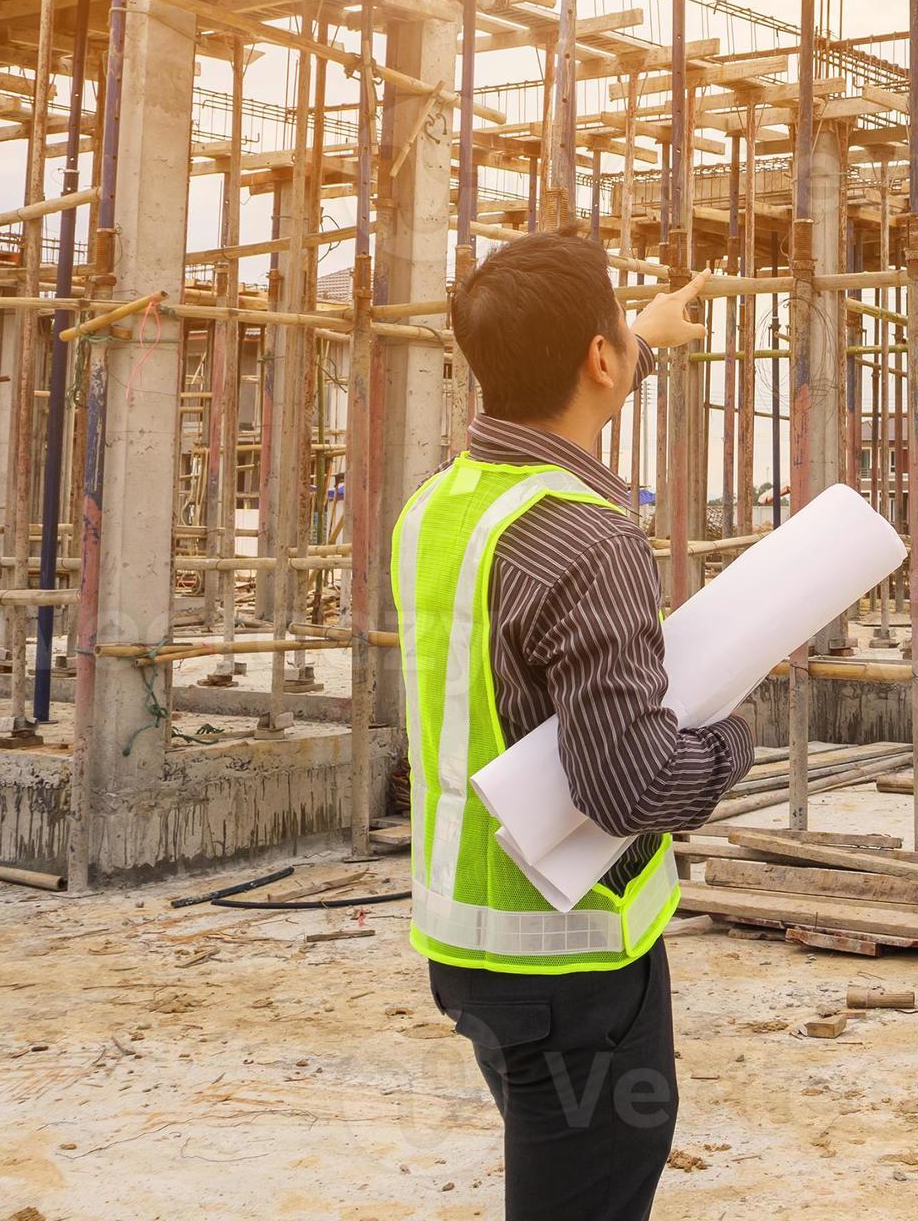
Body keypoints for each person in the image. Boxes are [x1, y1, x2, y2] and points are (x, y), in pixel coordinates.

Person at [394, 232, 736, 1220]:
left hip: (467, 944)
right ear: (598, 359)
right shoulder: (587, 535)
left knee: (559, 1166)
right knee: (591, 1187)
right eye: (618, 335)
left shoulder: (440, 508)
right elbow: (629, 788)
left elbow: (557, 393)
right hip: (575, 964)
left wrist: (645, 331)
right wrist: (729, 744)